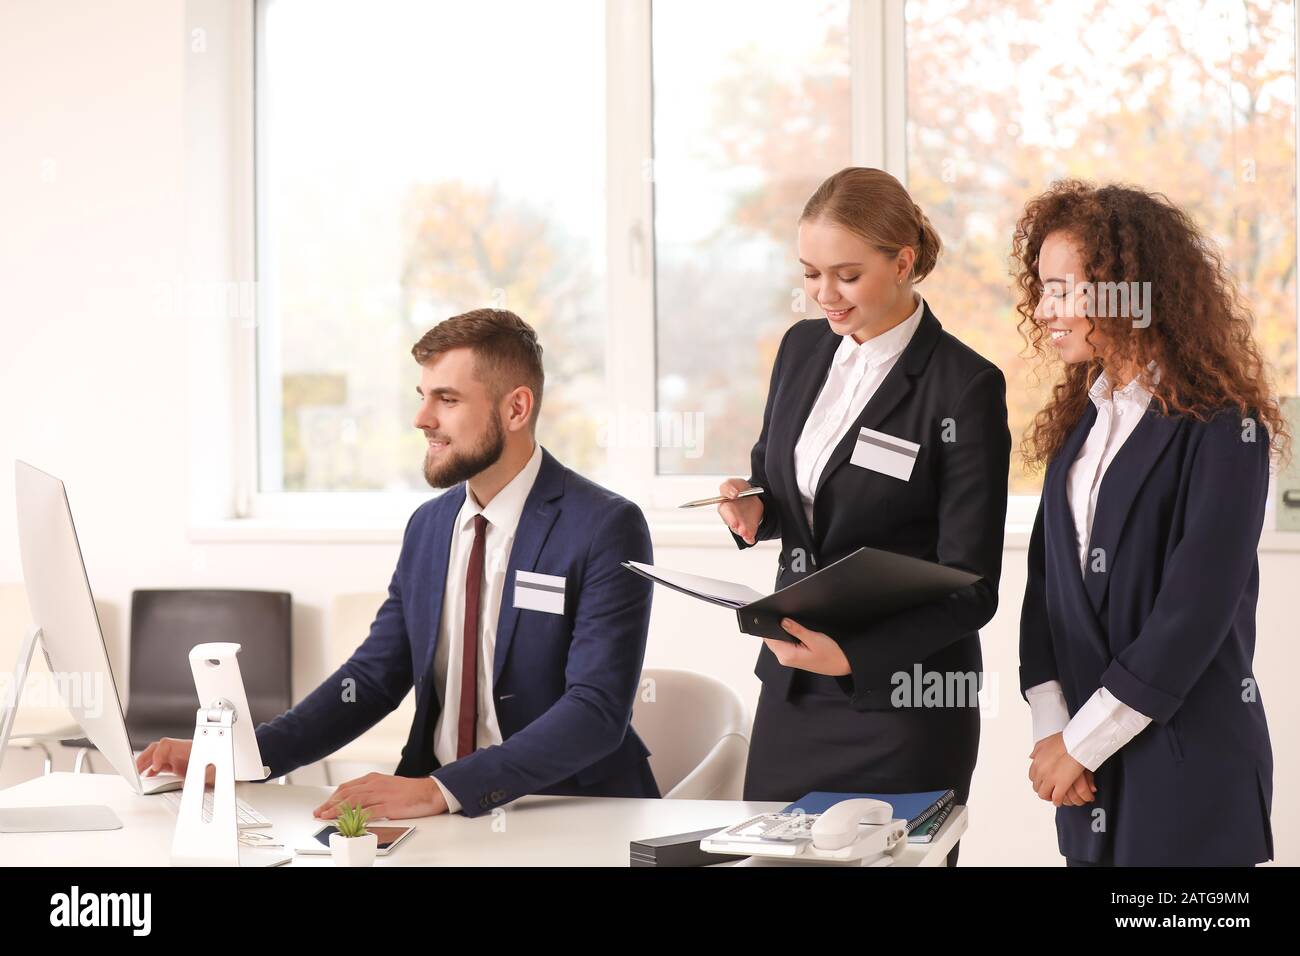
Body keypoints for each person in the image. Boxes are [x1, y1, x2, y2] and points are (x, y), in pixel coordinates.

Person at [137, 308, 659, 818]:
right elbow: (372, 680)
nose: (421, 419)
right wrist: (245, 756)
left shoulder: (605, 527)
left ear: (516, 409)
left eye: (447, 399)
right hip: (439, 807)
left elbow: (595, 711)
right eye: (422, 397)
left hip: (568, 808)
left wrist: (441, 789)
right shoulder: (428, 528)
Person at [717, 167, 1011, 866]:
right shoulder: (800, 349)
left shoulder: (963, 386)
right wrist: (755, 506)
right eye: (811, 272)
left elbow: (972, 586)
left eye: (846, 275)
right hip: (792, 695)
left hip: (903, 702)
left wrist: (854, 657)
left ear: (903, 262)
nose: (824, 295)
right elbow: (790, 488)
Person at [1014, 180, 1287, 865]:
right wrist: (1056, 736)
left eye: (1063, 289)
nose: (1044, 308)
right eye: (1041, 288)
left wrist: (1078, 745)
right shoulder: (1082, 424)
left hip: (1187, 771)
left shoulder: (1226, 430)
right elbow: (1046, 595)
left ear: (1126, 289)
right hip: (1086, 780)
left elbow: (1189, 619)